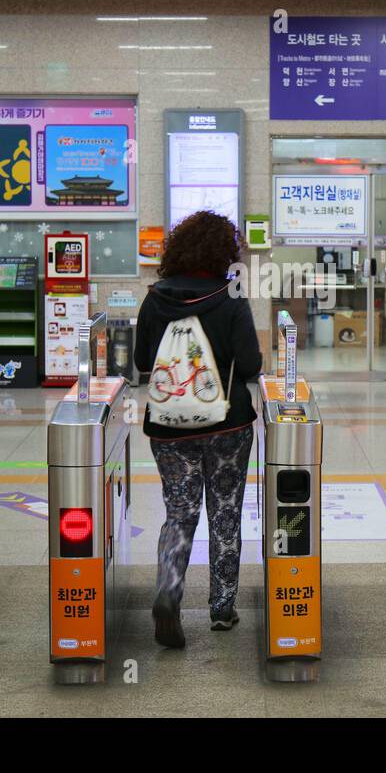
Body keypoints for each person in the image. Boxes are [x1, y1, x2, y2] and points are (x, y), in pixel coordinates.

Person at [134, 211, 262, 648]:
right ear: (223, 252)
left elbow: (141, 364)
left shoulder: (155, 299)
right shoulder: (231, 299)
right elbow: (251, 366)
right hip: (227, 424)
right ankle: (222, 610)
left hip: (169, 427)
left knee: (179, 513)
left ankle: (168, 593)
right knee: (225, 513)